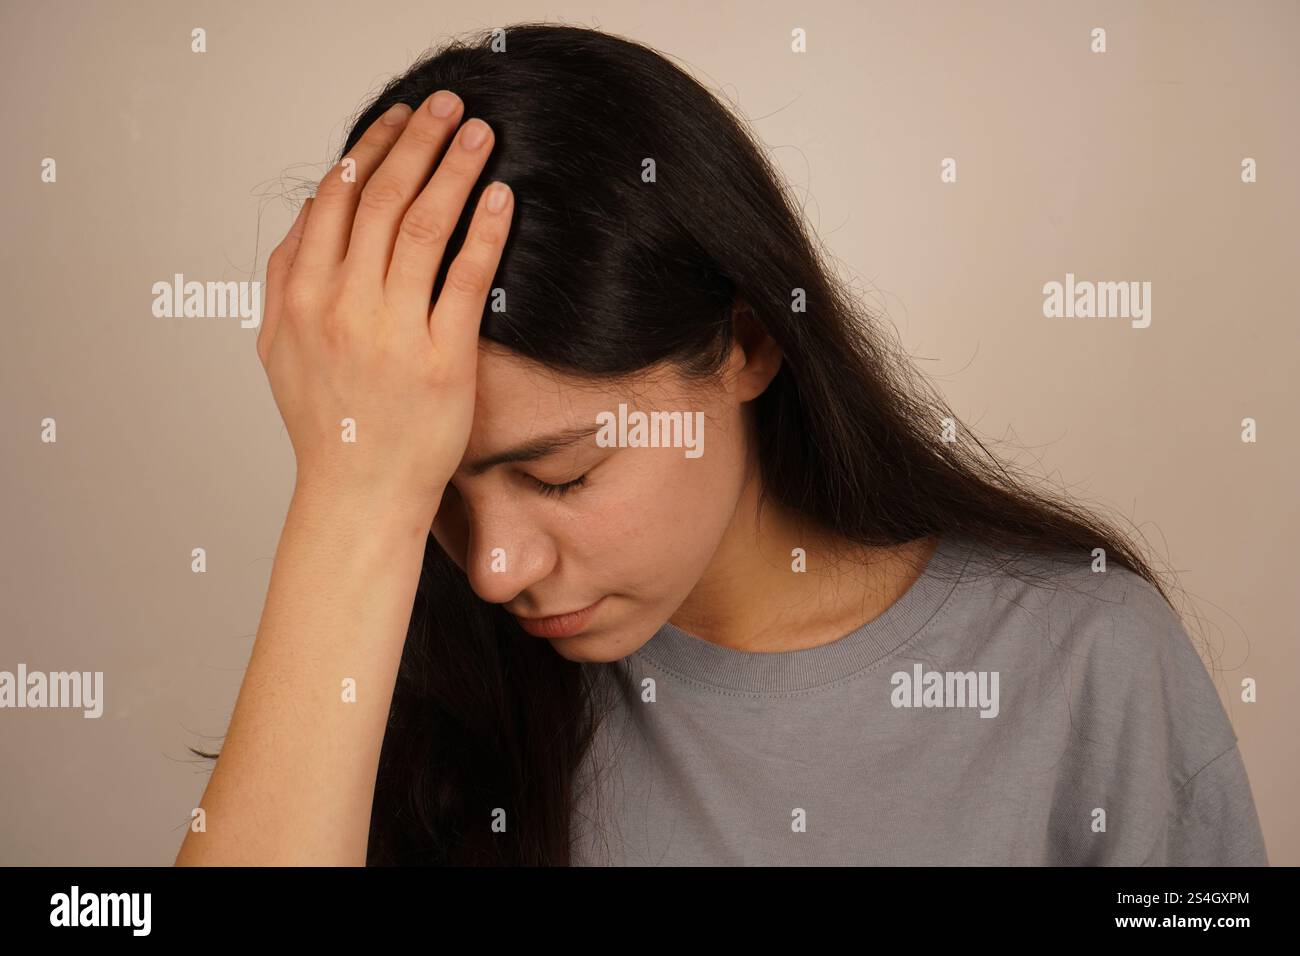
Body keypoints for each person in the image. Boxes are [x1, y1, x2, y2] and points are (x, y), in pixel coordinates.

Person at [174, 23, 1268, 866]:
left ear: (747, 343)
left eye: (563, 472)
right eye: (430, 494)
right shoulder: (397, 656)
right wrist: (353, 495)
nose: (497, 564)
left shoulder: (1080, 660)